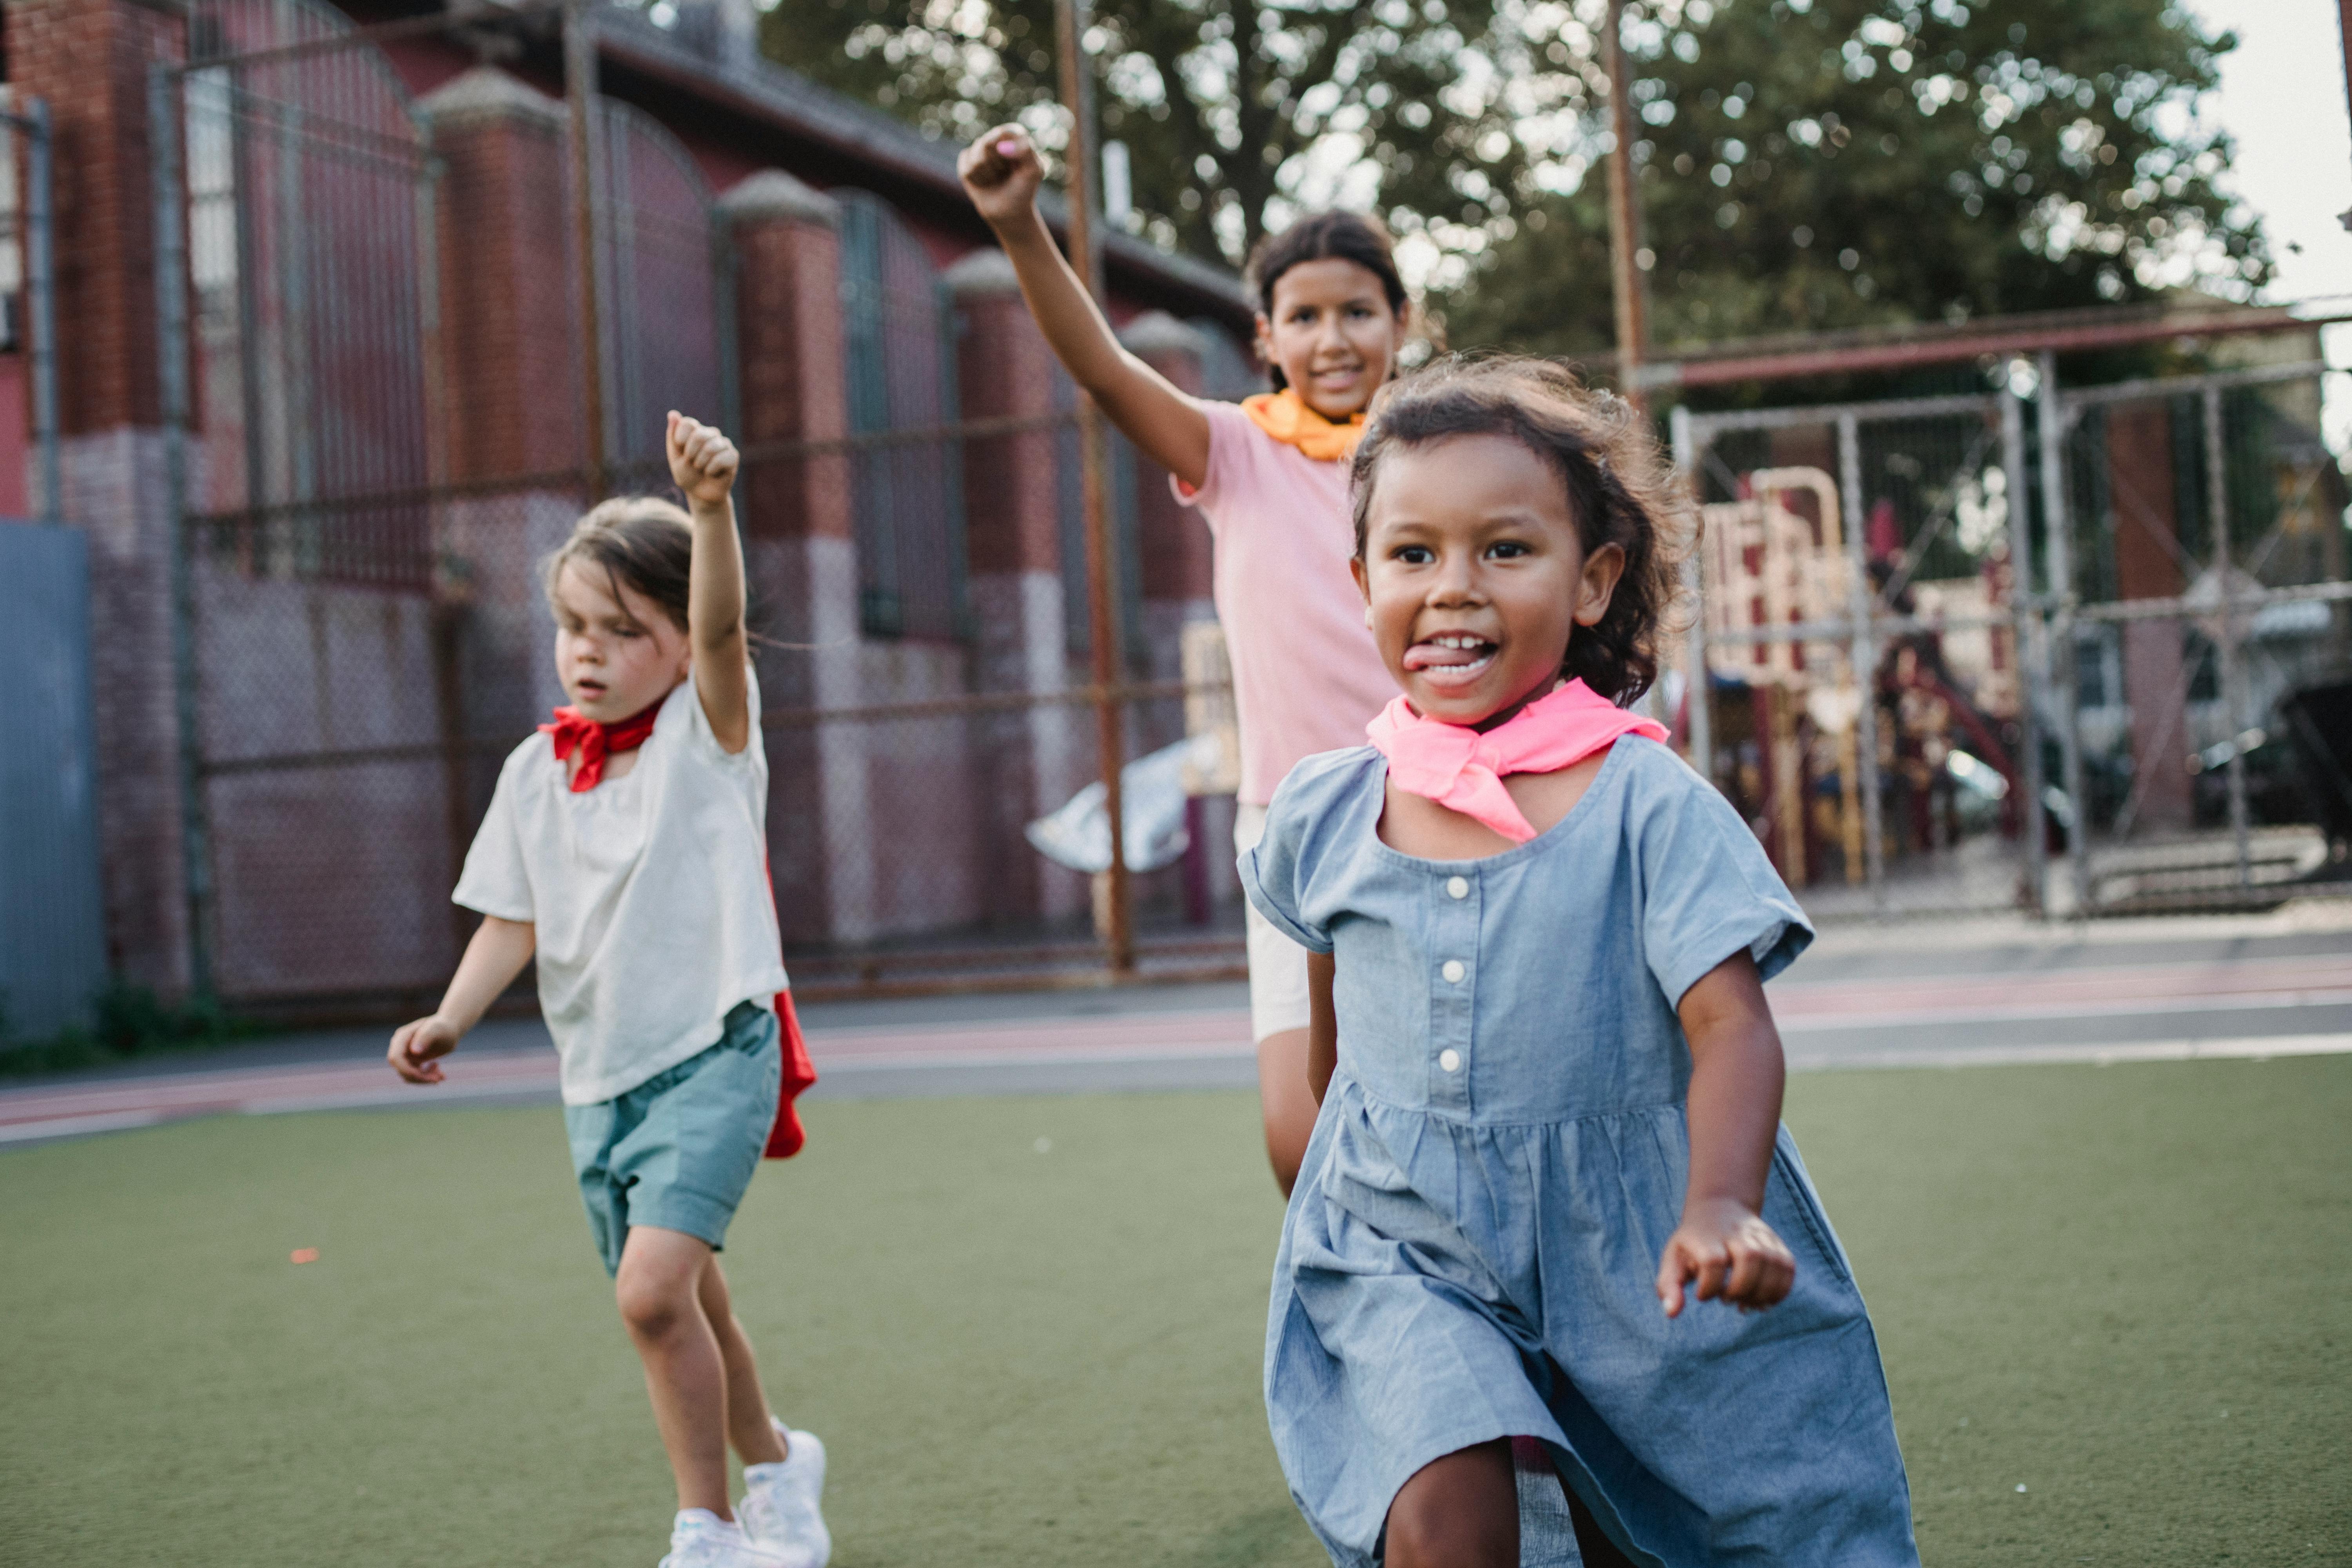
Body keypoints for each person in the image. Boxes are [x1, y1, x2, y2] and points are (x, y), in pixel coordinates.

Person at [1240, 358, 1919, 1567]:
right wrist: (1334, 1171)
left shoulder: (1646, 804)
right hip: (1403, 1240)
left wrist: (1721, 1203)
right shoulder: (1326, 813)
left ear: (1594, 580)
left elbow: (1732, 1027)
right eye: (1412, 556)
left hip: (1630, 1246)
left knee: (1654, 1532)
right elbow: (1334, 1006)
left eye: (1505, 551)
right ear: (1362, 585)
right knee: (1444, 1509)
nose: (1453, 590)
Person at [386, 414, 831, 1568]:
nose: (586, 652)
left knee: (649, 1296)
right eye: (571, 628)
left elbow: (728, 626)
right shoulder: (536, 772)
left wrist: (714, 510)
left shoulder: (709, 735)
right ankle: (777, 1460)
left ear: (682, 648)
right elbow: (513, 917)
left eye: (623, 631)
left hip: (715, 1049)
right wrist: (452, 1013)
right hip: (601, 1077)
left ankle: (708, 1526)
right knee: (692, 1304)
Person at [958, 125, 1404, 1198]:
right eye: (1305, 315)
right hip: (1293, 829)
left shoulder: (1438, 449)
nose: (1334, 336)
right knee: (1300, 1142)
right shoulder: (1236, 452)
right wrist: (1020, 225)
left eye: (1359, 310)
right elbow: (1105, 372)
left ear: (1402, 322)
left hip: (1432, 817)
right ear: (1267, 337)